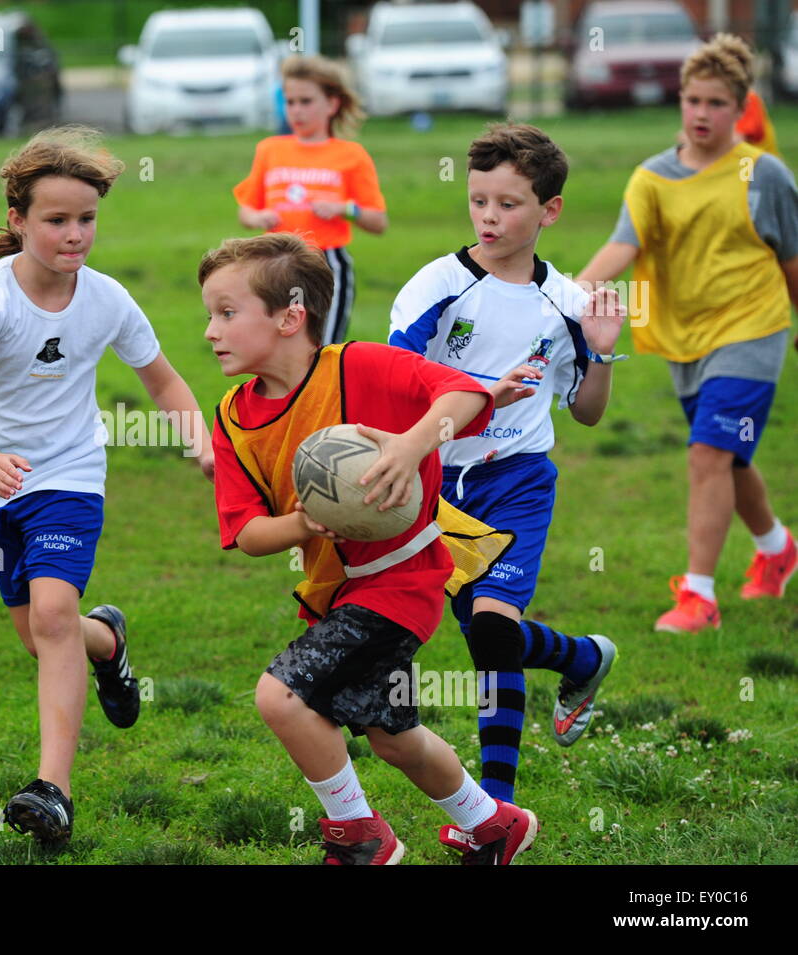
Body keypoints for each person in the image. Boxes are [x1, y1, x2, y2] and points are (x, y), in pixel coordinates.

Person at [205, 231, 538, 865]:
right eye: (210, 315)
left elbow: (464, 395)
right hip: (336, 594)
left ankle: (358, 834)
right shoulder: (231, 418)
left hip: (402, 580)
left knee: (280, 696)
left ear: (290, 317)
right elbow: (247, 535)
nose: (210, 331)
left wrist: (408, 446)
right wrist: (305, 524)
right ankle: (493, 824)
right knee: (394, 737)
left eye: (227, 313)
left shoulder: (359, 367)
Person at [0, 126, 213, 849]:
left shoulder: (108, 299)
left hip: (69, 473)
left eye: (86, 219)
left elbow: (164, 379)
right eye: (57, 219)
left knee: (53, 614)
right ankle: (108, 640)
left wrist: (198, 440)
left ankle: (51, 789)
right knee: (40, 635)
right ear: (19, 219)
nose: (75, 234)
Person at [388, 124, 624, 856]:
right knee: (483, 639)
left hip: (519, 480)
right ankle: (582, 658)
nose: (489, 216)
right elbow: (397, 386)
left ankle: (499, 815)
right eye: (478, 200)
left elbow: (586, 412)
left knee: (492, 632)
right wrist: (479, 392)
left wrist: (606, 352)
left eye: (508, 204)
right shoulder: (437, 285)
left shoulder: (566, 302)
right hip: (437, 483)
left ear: (549, 211)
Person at [579, 35, 798, 633]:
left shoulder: (764, 174)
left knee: (708, 453)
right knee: (725, 457)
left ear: (741, 107)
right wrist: (566, 295)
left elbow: (792, 261)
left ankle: (698, 597)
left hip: (753, 329)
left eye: (717, 103)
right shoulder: (653, 177)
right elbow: (623, 245)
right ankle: (778, 547)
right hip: (682, 337)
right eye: (692, 100)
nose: (701, 113)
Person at [233, 55, 386, 346]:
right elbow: (246, 209)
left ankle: (323, 393)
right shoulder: (270, 150)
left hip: (325, 263)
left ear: (332, 104)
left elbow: (378, 221)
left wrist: (344, 209)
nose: (297, 110)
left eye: (306, 101)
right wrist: (257, 218)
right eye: (290, 102)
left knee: (319, 350)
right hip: (274, 262)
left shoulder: (350, 155)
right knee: (274, 349)